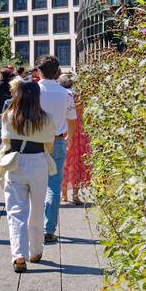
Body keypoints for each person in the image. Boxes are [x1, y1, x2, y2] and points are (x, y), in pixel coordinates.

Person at [0, 78, 57, 272]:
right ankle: (36, 250)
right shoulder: (46, 118)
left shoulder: (9, 116)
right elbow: (50, 145)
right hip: (38, 160)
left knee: (16, 210)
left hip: (15, 161)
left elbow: (5, 140)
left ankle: (19, 256)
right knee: (37, 208)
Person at [33, 55, 76, 245]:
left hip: (34, 142)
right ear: (57, 72)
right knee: (54, 186)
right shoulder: (66, 94)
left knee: (32, 185)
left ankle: (32, 226)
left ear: (38, 71)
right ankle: (48, 230)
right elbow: (72, 119)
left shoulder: (32, 91)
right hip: (57, 141)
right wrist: (69, 139)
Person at [59, 73, 91, 205]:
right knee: (77, 161)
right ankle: (76, 195)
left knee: (64, 162)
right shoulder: (78, 96)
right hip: (78, 131)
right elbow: (84, 113)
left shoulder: (61, 96)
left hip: (65, 129)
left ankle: (64, 194)